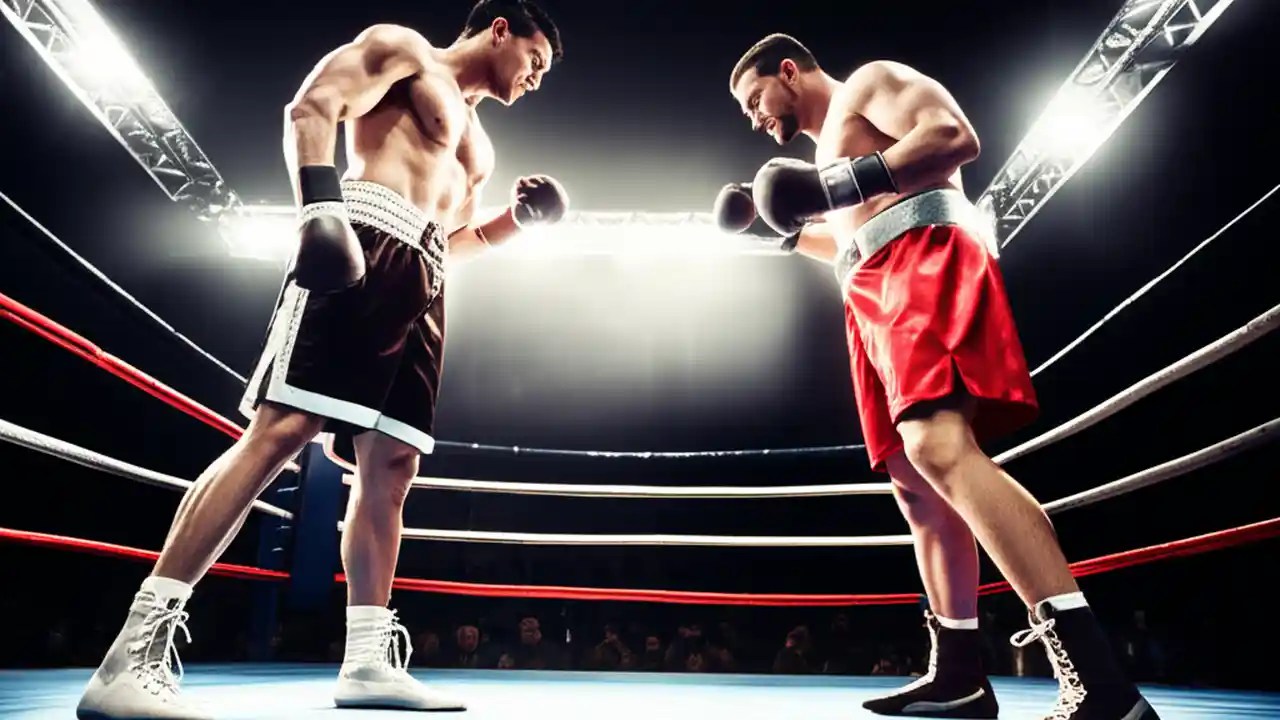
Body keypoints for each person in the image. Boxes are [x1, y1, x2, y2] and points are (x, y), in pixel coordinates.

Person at [76, 2, 566, 717]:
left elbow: (452, 239)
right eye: (535, 59)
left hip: (427, 279)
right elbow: (313, 108)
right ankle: (131, 655)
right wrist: (318, 211)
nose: (536, 78)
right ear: (500, 30)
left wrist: (516, 223)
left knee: (392, 468)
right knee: (281, 430)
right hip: (363, 239)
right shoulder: (405, 49)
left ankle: (366, 663)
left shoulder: (481, 144)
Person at [715, 34, 1159, 720]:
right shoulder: (829, 152)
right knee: (915, 485)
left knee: (937, 445)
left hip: (922, 260)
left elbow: (953, 137)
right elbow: (856, 234)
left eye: (754, 100)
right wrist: (782, 230)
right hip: (867, 288)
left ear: (789, 71)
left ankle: (1102, 684)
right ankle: (959, 675)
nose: (754, 118)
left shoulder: (868, 84)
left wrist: (829, 186)